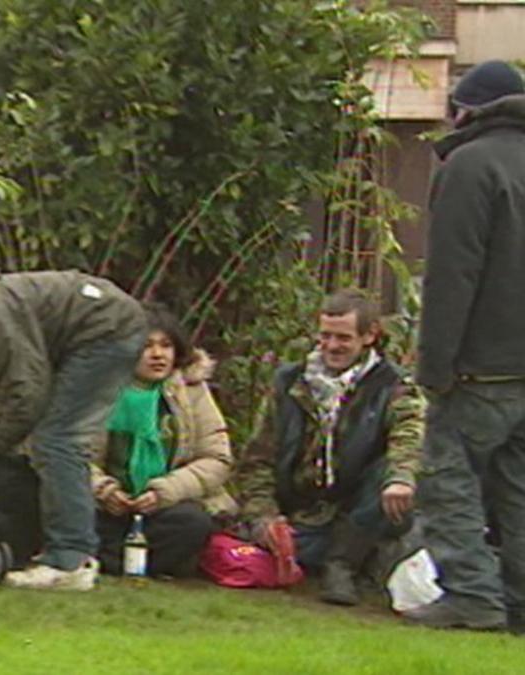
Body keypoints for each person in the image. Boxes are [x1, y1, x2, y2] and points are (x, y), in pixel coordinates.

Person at [407, 60, 525, 634]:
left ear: (465, 110)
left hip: (481, 366)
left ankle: (472, 595)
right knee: (519, 493)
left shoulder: (470, 166)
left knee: (447, 481)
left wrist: (435, 366)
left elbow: (453, 276)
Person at [0, 267, 146, 591]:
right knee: (53, 441)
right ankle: (63, 550)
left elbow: (28, 393)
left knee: (58, 441)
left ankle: (70, 560)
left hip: (107, 329)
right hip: (100, 326)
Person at [234, 289, 425, 606]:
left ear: (369, 336)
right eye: (325, 336)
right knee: (279, 546)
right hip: (302, 510)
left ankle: (342, 564)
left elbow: (409, 438)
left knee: (390, 478)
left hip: (360, 507)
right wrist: (264, 516)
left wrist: (401, 479)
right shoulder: (288, 381)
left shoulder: (394, 386)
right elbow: (258, 459)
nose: (332, 346)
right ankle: (338, 555)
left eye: (343, 338)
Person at [91, 306, 236, 578]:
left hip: (166, 506)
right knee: (65, 508)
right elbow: (72, 454)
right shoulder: (97, 389)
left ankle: (113, 561)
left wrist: (164, 492)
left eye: (166, 346)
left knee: (193, 523)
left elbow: (216, 459)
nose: (157, 355)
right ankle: (126, 560)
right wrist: (104, 490)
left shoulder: (192, 390)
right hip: (108, 506)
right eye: (146, 346)